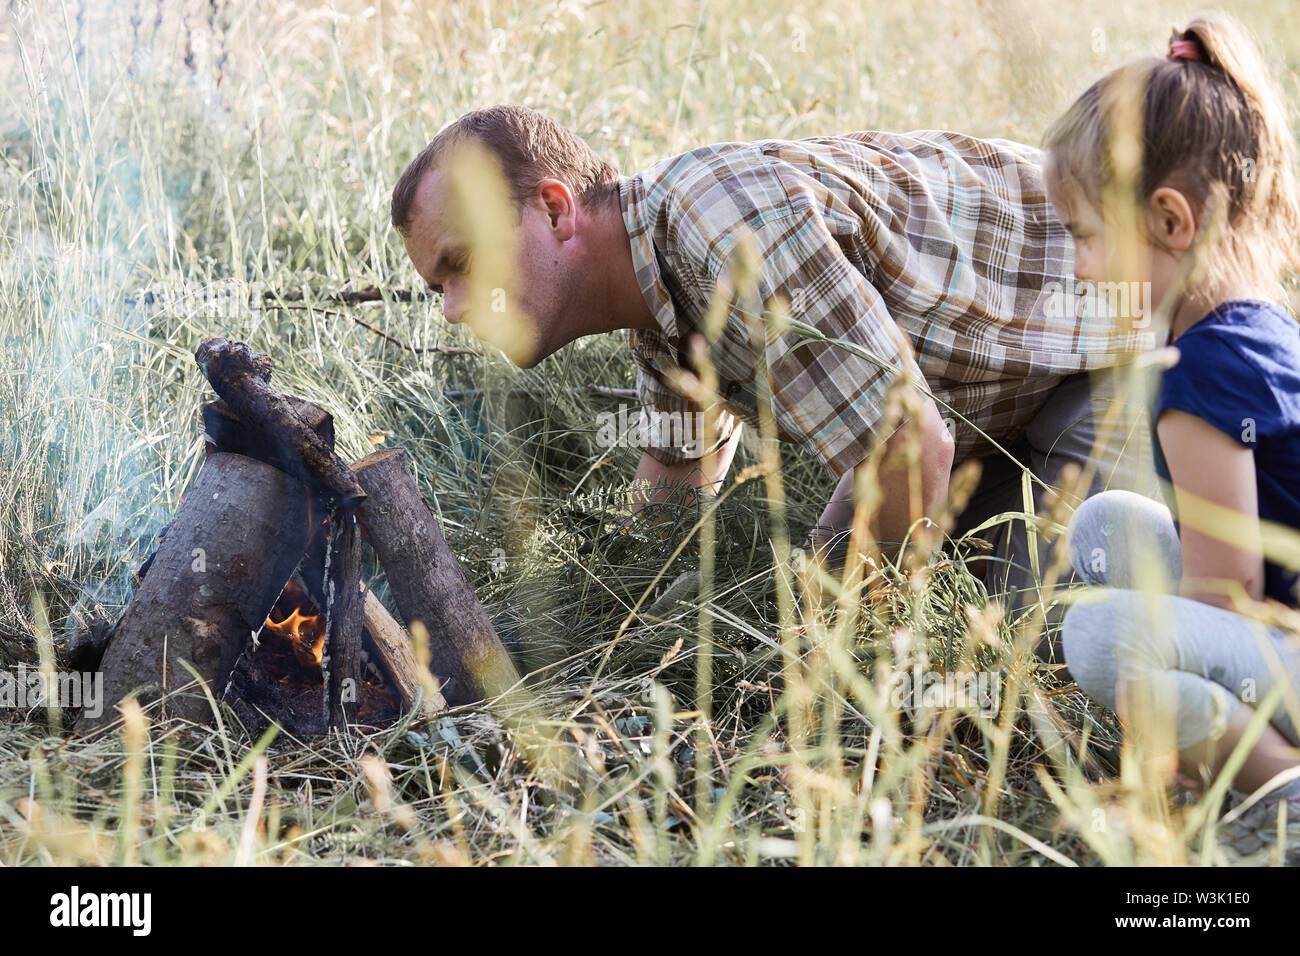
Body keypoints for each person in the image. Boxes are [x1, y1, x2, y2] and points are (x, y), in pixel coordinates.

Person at [389, 106, 1156, 617]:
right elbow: (674, 496)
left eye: (461, 263)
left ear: (555, 210)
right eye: (437, 287)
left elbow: (907, 445)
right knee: (840, 591)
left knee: (1037, 635)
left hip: (1121, 345)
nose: (453, 308)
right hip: (1000, 410)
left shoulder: (719, 229)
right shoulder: (659, 295)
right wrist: (599, 612)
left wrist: (848, 658)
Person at [1048, 13, 1300, 859]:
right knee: (1105, 526)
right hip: (1283, 636)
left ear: (1169, 221)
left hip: (1281, 638)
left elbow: (1226, 592)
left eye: (1087, 236)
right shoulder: (1257, 326)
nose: (1080, 267)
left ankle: (1281, 791)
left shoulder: (1201, 375)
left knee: (1099, 636)